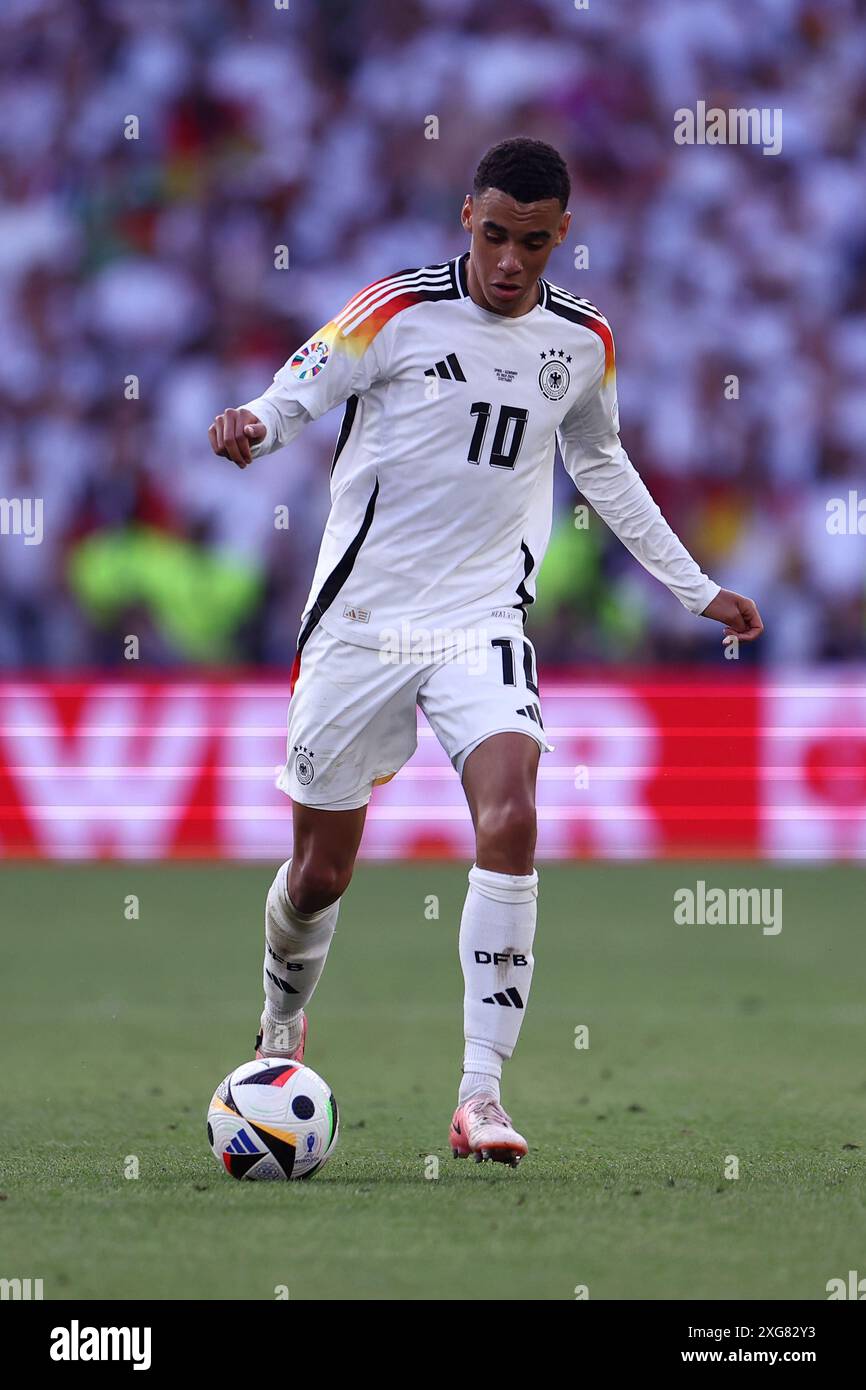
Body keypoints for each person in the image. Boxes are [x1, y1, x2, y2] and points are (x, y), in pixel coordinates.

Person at [208, 137, 763, 1167]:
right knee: (320, 872)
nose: (512, 262)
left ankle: (479, 1094)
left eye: (536, 243)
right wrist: (255, 422)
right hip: (359, 625)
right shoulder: (398, 309)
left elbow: (602, 465)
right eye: (497, 235)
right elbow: (302, 385)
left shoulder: (582, 342)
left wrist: (694, 589)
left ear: (563, 238)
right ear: (468, 218)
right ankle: (280, 1028)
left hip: (481, 623)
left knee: (510, 817)